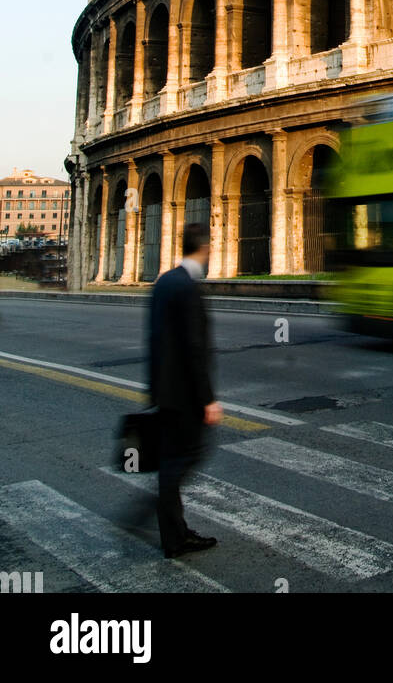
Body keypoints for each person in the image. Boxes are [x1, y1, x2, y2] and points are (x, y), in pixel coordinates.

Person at [148, 220, 222, 559]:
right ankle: (168, 530)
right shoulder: (189, 289)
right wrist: (207, 399)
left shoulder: (164, 282)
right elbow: (195, 349)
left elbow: (155, 339)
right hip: (185, 395)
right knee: (184, 458)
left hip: (165, 392)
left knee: (173, 460)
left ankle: (174, 533)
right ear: (205, 248)